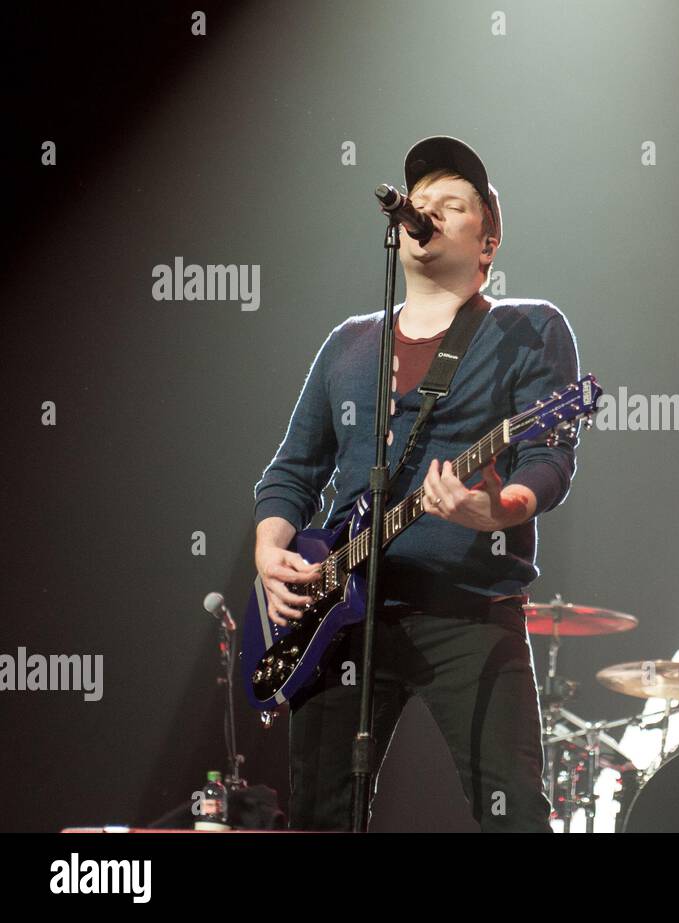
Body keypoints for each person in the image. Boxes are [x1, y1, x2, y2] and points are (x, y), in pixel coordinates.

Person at [251, 135, 580, 832]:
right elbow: (294, 467)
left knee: (515, 811)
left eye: (450, 204)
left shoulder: (529, 328)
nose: (423, 210)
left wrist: (491, 512)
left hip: (470, 609)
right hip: (342, 614)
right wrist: (269, 547)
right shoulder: (348, 342)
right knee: (319, 814)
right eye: (418, 202)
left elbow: (547, 461)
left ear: (487, 242)